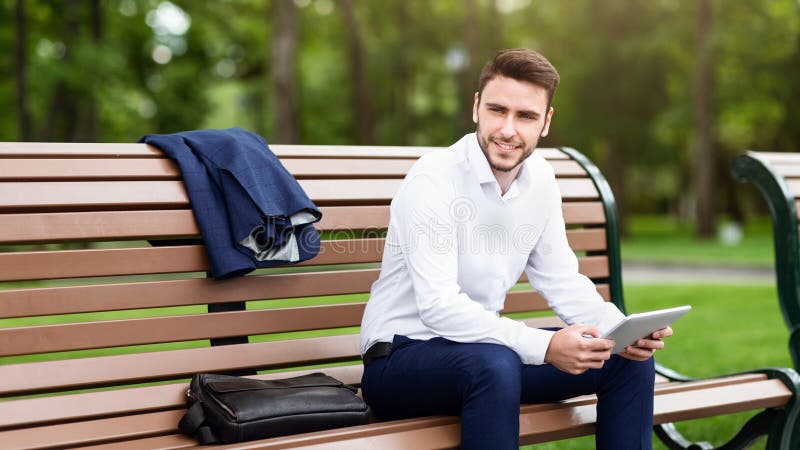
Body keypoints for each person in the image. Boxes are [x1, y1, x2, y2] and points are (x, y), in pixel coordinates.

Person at [359, 48, 671, 450]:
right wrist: (546, 346)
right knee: (496, 363)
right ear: (476, 107)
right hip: (399, 360)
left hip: (485, 359)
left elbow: (561, 280)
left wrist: (621, 332)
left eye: (525, 116)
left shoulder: (540, 180)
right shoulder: (433, 179)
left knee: (623, 361)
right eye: (497, 110)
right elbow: (438, 306)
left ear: (546, 122)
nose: (507, 130)